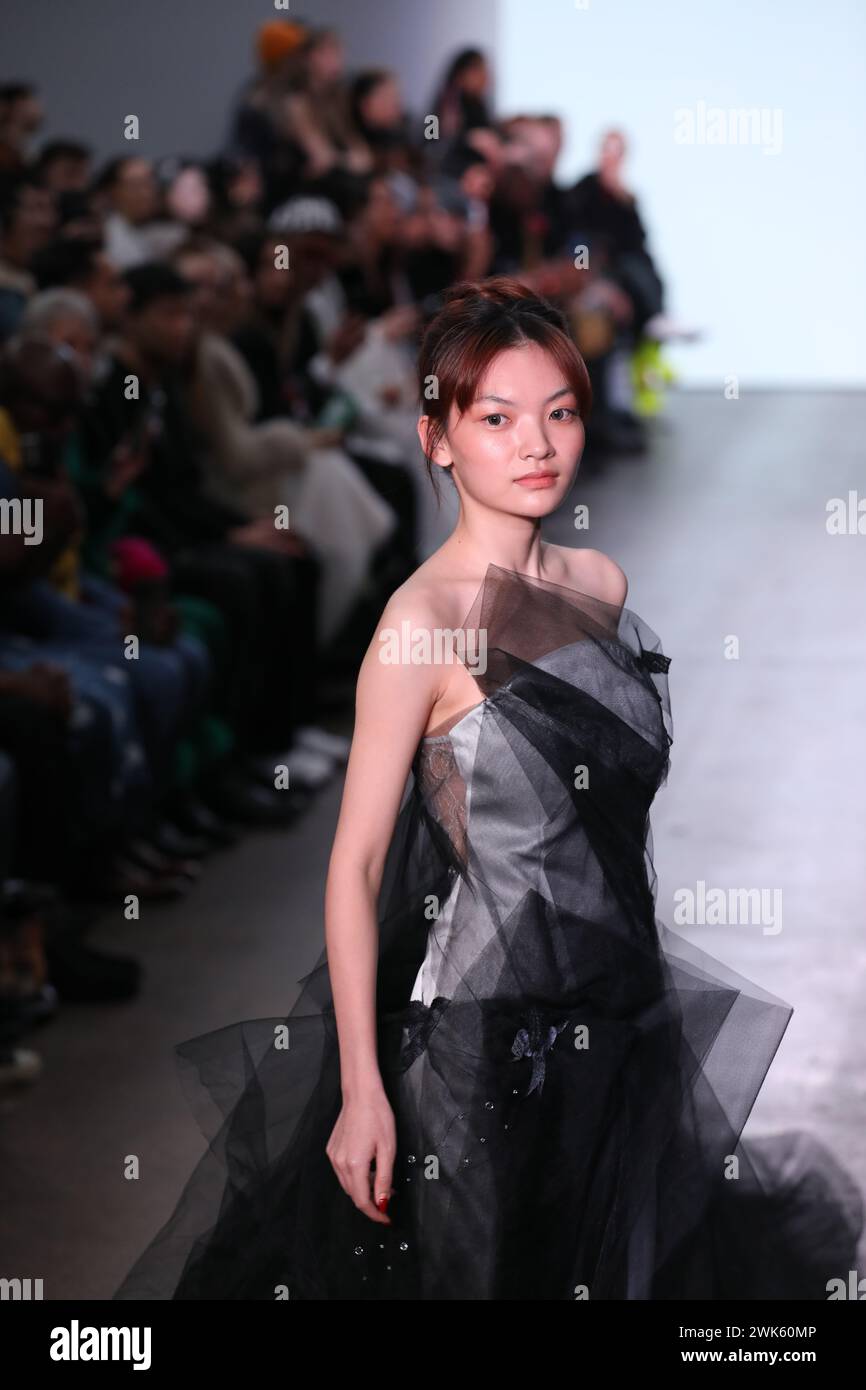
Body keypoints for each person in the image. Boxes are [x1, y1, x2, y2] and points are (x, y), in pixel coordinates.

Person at [112, 277, 862, 1300]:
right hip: (482, 1035)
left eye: (557, 413)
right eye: (496, 418)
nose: (535, 443)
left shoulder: (599, 586)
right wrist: (364, 1092)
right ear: (435, 438)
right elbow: (359, 862)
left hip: (622, 1012)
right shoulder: (419, 626)